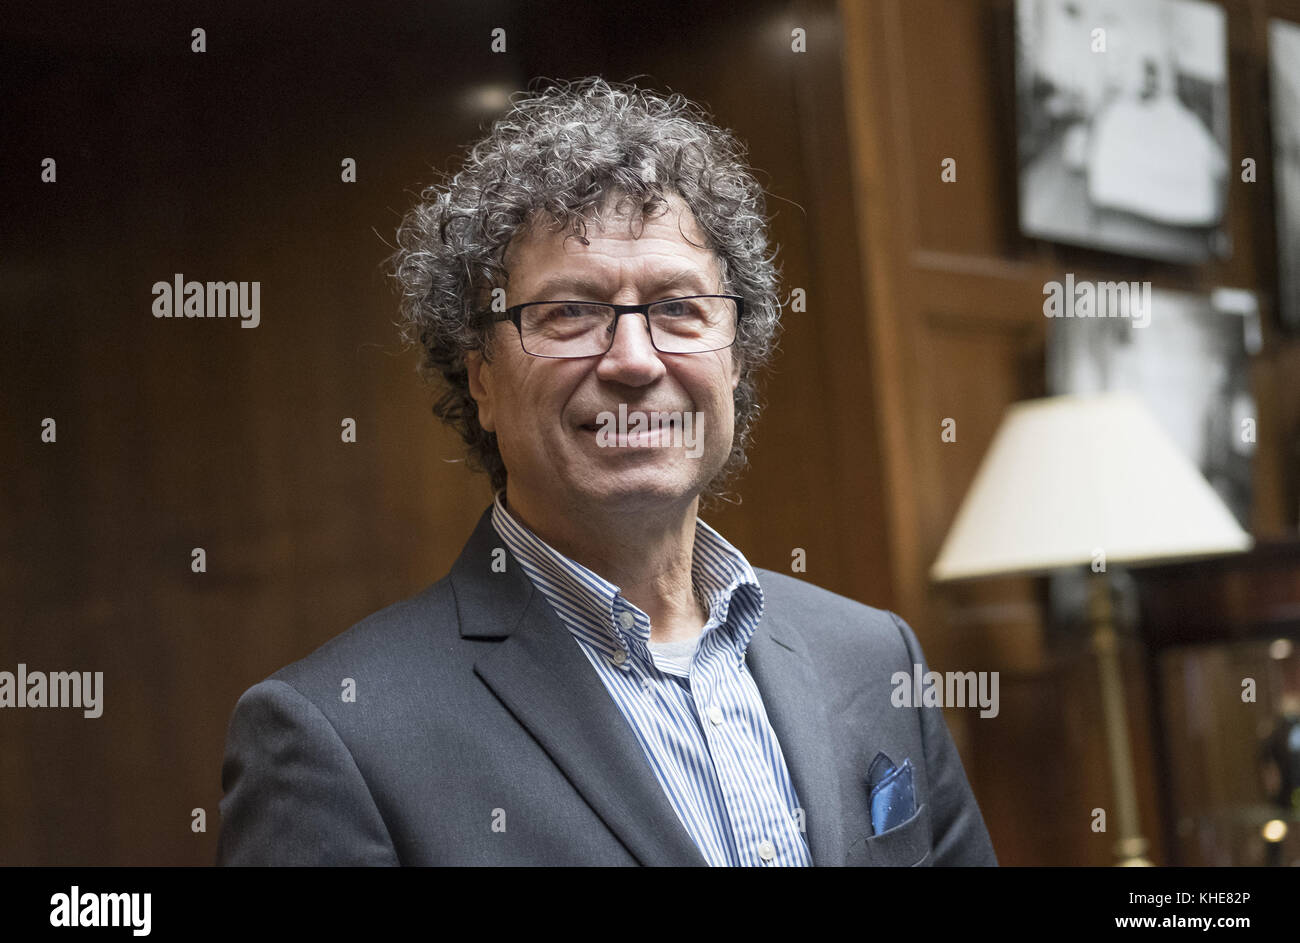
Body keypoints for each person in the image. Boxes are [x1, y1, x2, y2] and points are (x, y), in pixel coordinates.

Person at [215, 76, 997, 866]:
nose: (633, 359)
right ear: (480, 374)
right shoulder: (335, 735)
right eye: (569, 313)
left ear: (737, 357)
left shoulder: (871, 655)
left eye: (678, 308)